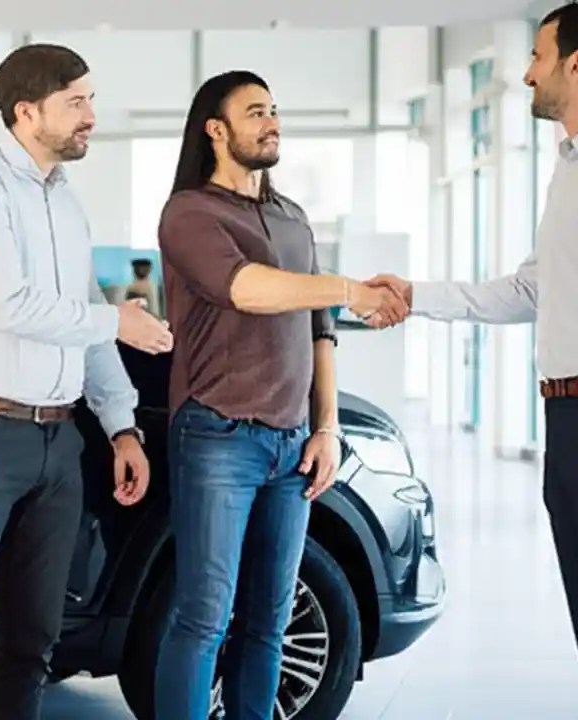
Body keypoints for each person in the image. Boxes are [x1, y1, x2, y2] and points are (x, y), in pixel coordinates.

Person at [367, 3, 578, 718]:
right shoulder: (572, 169)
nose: (526, 73)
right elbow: (530, 289)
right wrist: (417, 295)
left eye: (538, 57)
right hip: (572, 417)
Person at [0, 43, 174, 720]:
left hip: (57, 441)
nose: (91, 116)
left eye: (91, 100)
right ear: (26, 111)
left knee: (34, 641)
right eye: (76, 102)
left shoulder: (65, 200)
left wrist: (122, 426)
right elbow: (10, 305)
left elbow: (85, 313)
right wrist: (116, 321)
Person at [151, 70, 407, 719]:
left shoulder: (292, 218)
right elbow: (247, 289)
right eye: (256, 112)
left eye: (274, 111)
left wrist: (326, 428)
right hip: (217, 437)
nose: (272, 123)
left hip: (292, 447)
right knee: (205, 617)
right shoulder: (189, 213)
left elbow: (320, 332)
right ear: (216, 130)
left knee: (269, 618)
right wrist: (349, 288)